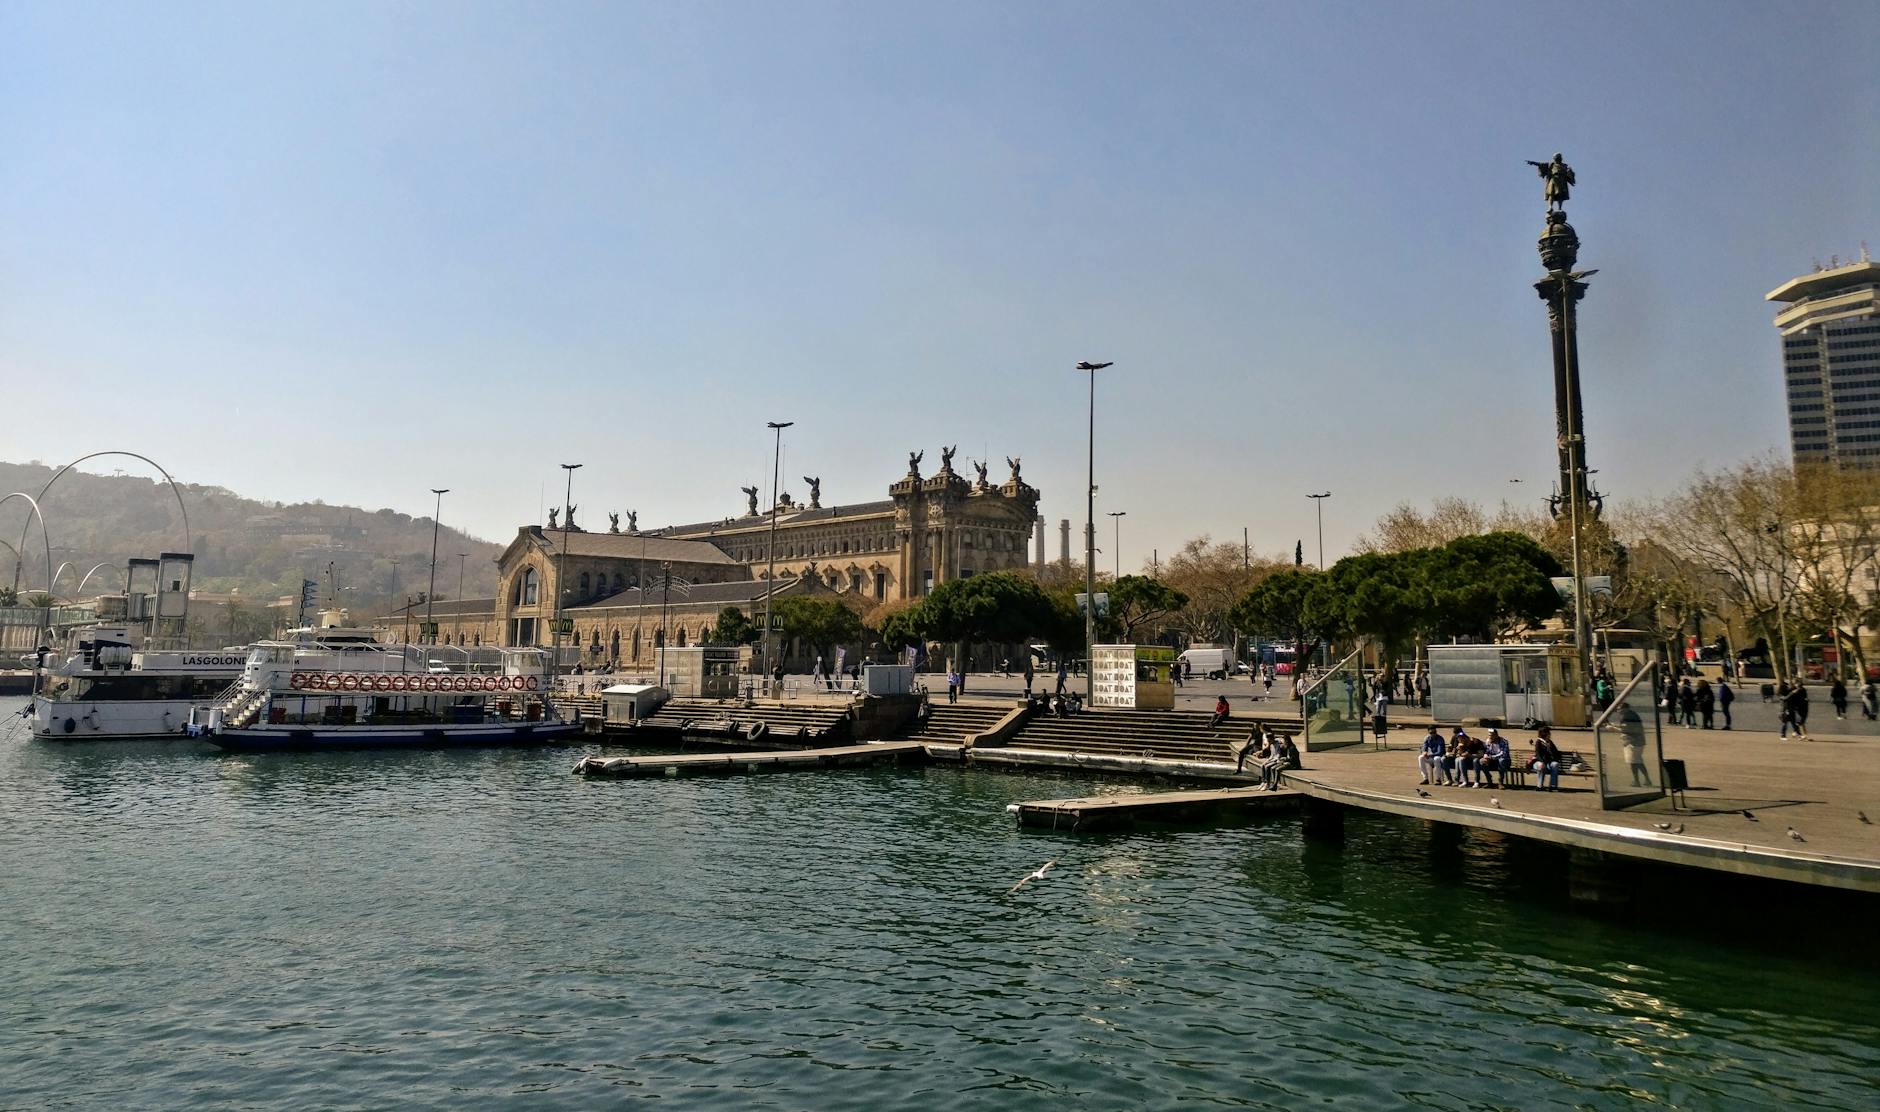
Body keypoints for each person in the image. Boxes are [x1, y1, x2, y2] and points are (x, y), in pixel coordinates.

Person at [1619, 703, 1651, 786]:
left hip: (1634, 742)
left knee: (1633, 762)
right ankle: (1647, 779)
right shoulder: (1632, 714)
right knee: (1638, 761)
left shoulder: (1627, 716)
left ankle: (1637, 781)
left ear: (1625, 708)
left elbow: (1631, 730)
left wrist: (1629, 740)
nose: (1618, 710)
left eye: (1619, 709)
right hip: (1638, 741)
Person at [1531, 726, 1563, 791]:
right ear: (1545, 734)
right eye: (1549, 733)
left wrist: (1552, 752)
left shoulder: (1550, 742)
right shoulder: (1538, 742)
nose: (1550, 735)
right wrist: (1542, 762)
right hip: (1538, 762)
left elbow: (1556, 752)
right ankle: (1540, 786)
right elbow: (1538, 754)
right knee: (1541, 766)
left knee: (1555, 764)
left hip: (1549, 763)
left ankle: (1553, 785)